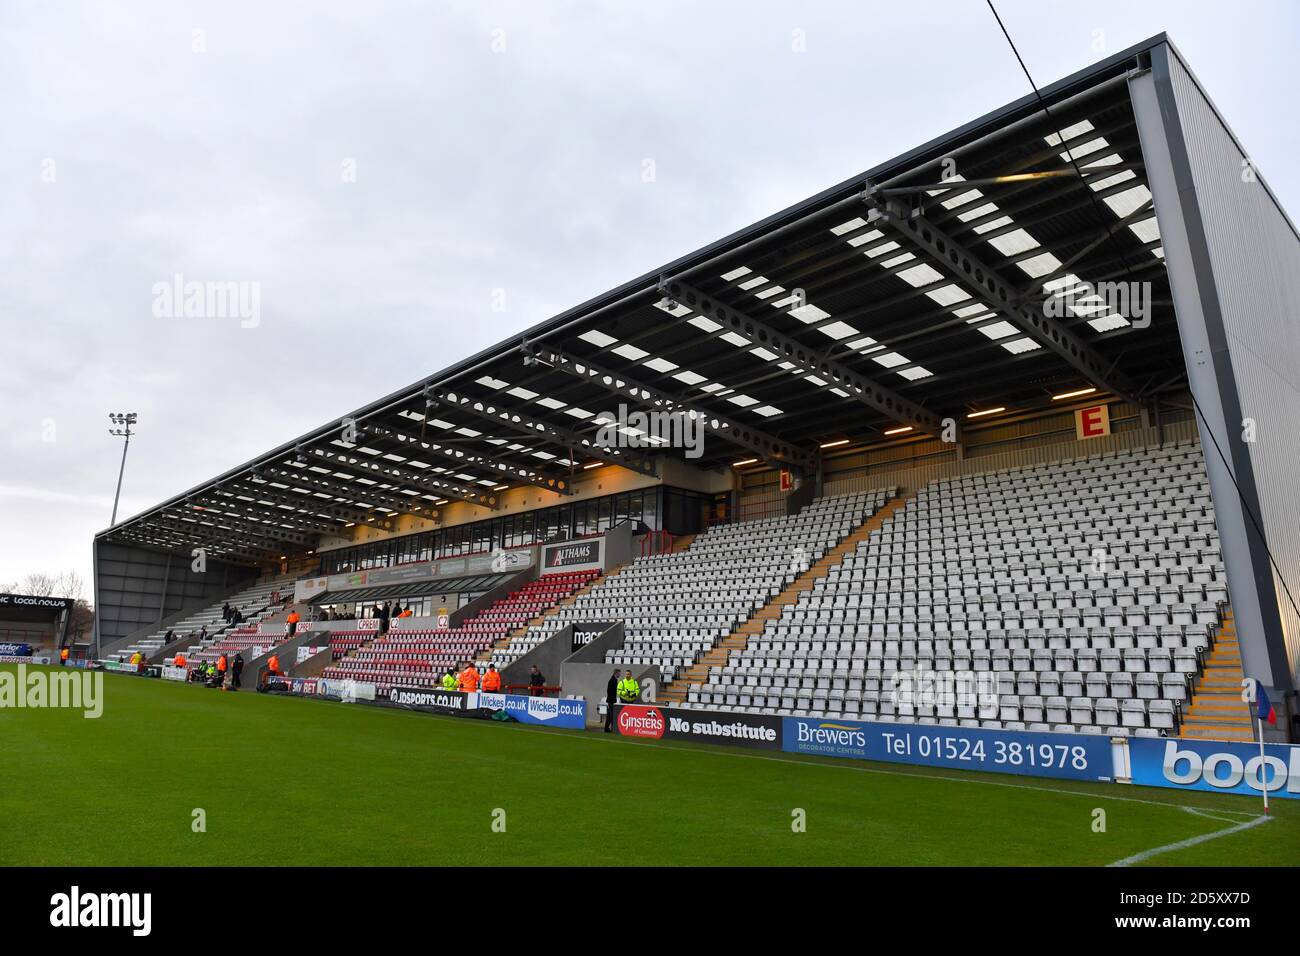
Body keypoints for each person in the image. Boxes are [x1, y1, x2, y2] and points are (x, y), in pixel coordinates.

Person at [604, 668, 620, 733]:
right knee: (612, 715)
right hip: (611, 700)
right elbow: (609, 691)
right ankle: (613, 728)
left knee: (609, 715)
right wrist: (613, 700)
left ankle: (606, 728)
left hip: (611, 700)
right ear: (616, 673)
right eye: (619, 673)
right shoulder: (612, 680)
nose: (620, 674)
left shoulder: (614, 680)